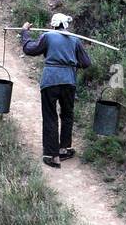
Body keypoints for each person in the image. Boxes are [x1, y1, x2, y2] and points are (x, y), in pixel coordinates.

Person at [20, 13, 91, 169]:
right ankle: (64, 149)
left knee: (50, 116)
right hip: (69, 82)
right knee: (67, 115)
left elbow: (30, 49)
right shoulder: (74, 39)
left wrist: (25, 32)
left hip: (50, 81)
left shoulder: (48, 36)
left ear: (53, 25)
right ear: (65, 25)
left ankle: (53, 156)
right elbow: (86, 62)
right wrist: (70, 64)